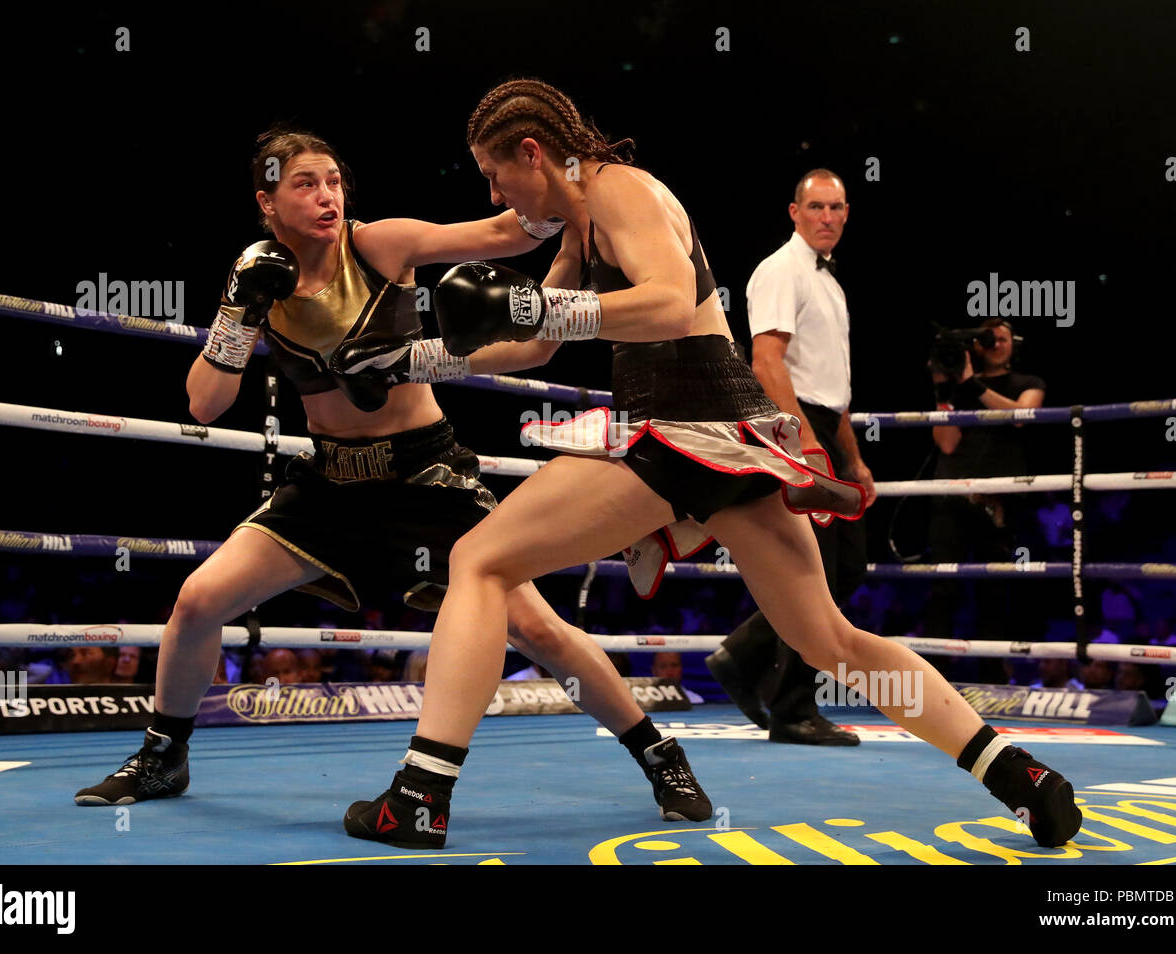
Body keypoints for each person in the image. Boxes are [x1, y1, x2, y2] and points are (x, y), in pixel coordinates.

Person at [341, 79, 1082, 851]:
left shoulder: (621, 190)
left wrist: (543, 307)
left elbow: (667, 302)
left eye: (495, 174)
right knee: (830, 640)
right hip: (720, 436)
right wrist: (411, 359)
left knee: (479, 561)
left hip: (675, 427)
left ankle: (421, 794)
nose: (494, 194)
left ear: (533, 152)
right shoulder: (580, 226)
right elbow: (534, 344)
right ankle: (1016, 774)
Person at [74, 128, 711, 823]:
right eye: (305, 185)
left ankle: (661, 758)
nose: (326, 196)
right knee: (199, 599)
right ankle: (163, 756)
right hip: (327, 484)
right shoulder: (260, 277)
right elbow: (204, 403)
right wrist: (237, 311)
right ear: (268, 201)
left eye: (333, 181)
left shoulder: (378, 244)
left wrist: (562, 192)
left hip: (424, 475)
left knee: (538, 630)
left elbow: (505, 233)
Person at [707, 168, 875, 745]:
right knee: (815, 568)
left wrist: (852, 461)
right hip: (794, 423)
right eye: (816, 207)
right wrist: (802, 442)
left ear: (847, 213)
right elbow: (767, 363)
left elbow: (836, 389)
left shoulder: (830, 282)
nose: (827, 217)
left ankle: (742, 655)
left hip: (824, 424)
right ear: (794, 212)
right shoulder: (781, 269)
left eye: (836, 207)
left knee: (847, 565)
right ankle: (793, 708)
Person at [928, 318, 1046, 682]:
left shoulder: (1029, 384)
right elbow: (947, 443)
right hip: (952, 494)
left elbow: (1020, 417)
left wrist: (970, 383)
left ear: (1015, 344)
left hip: (998, 501)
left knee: (994, 590)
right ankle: (934, 678)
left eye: (1003, 338)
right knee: (943, 586)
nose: (996, 343)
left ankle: (992, 678)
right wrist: (943, 390)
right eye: (988, 338)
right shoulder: (957, 387)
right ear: (975, 346)